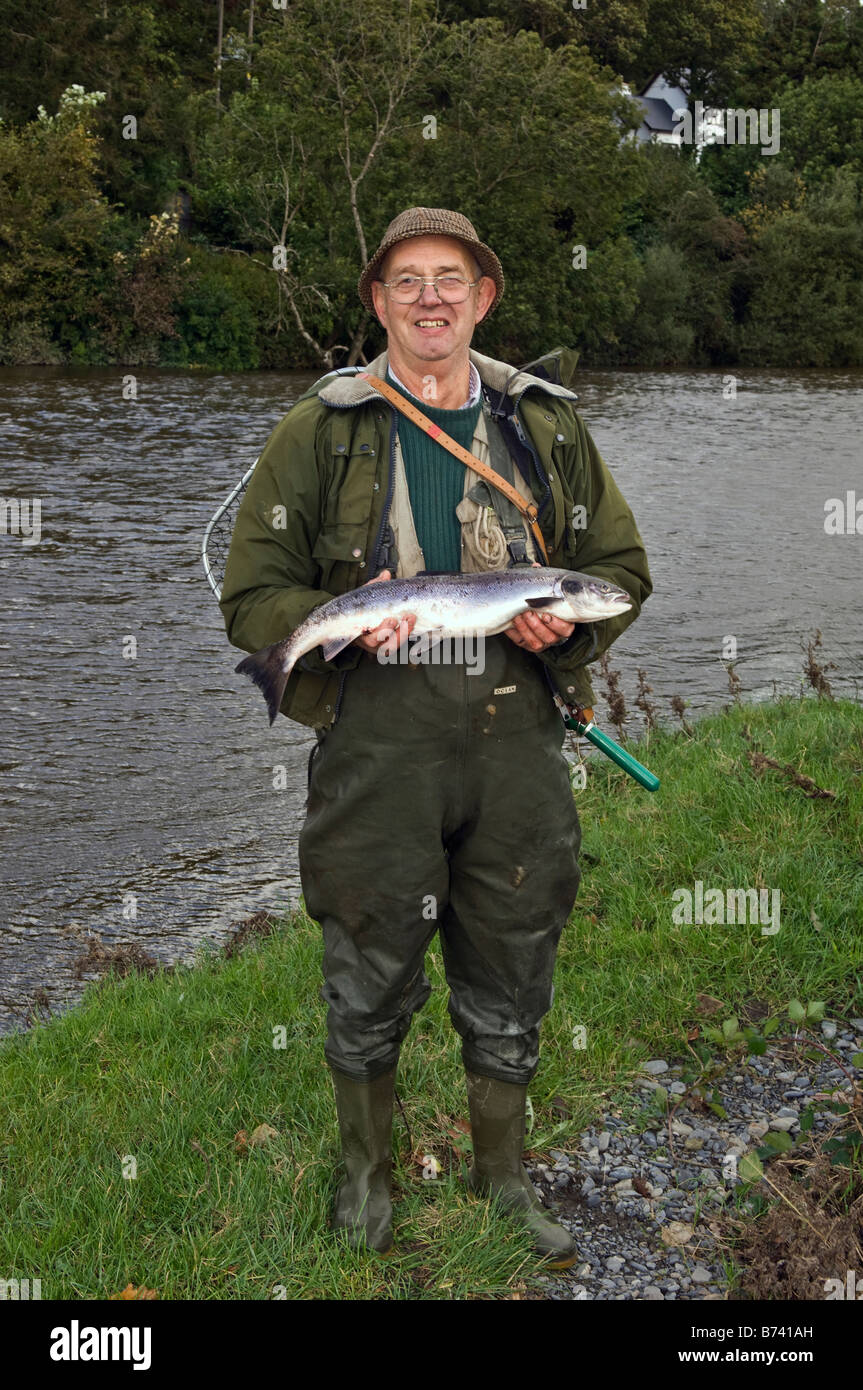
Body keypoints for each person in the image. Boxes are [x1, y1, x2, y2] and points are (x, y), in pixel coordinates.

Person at [220, 207, 652, 1268]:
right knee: (366, 961)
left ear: (482, 297)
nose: (428, 298)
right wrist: (330, 631)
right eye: (405, 280)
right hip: (378, 747)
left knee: (512, 955)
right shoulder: (317, 431)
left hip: (518, 746)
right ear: (376, 301)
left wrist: (568, 630)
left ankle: (501, 1183)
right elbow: (253, 593)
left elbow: (622, 574)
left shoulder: (542, 426)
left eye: (448, 279)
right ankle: (363, 1183)